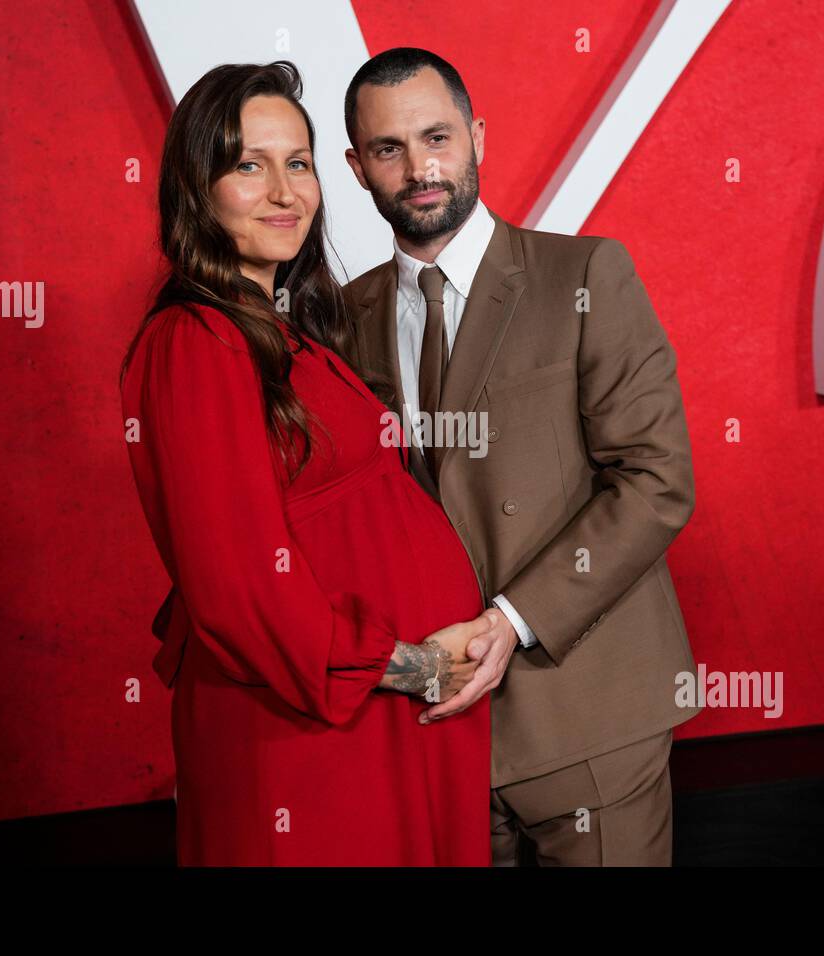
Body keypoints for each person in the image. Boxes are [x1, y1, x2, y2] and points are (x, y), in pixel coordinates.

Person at [119, 60, 492, 866]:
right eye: (249, 166)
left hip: (374, 717)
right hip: (310, 727)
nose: (285, 192)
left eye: (298, 163)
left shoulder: (281, 324)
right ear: (198, 186)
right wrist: (412, 665)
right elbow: (237, 581)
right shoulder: (194, 342)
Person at [340, 48, 701, 866]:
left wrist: (511, 620)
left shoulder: (583, 275)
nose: (420, 166)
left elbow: (656, 479)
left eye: (436, 136)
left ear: (476, 136)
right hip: (435, 733)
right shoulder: (342, 315)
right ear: (357, 167)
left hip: (586, 713)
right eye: (389, 149)